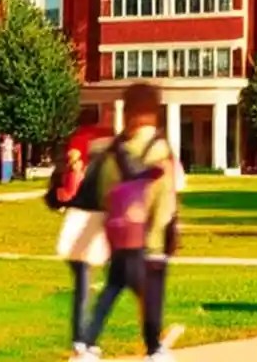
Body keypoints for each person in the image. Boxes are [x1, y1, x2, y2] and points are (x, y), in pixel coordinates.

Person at [78, 83, 181, 362]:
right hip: (149, 240)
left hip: (121, 236)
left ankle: (87, 345)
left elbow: (103, 194)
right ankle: (154, 348)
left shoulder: (114, 152)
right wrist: (160, 232)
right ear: (154, 112)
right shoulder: (159, 149)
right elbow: (165, 198)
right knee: (150, 295)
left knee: (112, 289)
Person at [55, 128, 110, 362]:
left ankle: (85, 340)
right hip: (83, 239)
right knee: (88, 288)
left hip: (81, 238)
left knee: (86, 288)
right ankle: (83, 342)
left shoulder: (90, 176)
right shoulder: (95, 179)